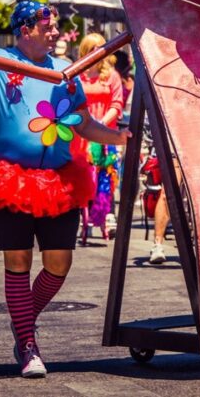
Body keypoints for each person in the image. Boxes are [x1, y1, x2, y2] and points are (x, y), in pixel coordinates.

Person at [0, 0, 129, 379]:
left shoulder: (67, 69)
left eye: (56, 27)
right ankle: (28, 344)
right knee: (19, 259)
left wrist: (118, 137)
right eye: (48, 27)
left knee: (59, 263)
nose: (56, 33)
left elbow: (83, 123)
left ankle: (22, 320)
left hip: (59, 180)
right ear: (25, 30)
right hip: (8, 178)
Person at [71, 33, 124, 244]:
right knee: (80, 175)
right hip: (79, 135)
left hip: (104, 134)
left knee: (105, 177)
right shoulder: (77, 74)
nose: (97, 53)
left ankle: (105, 215)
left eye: (101, 48)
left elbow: (117, 105)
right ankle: (78, 217)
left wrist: (99, 125)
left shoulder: (112, 76)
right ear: (84, 51)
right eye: (93, 48)